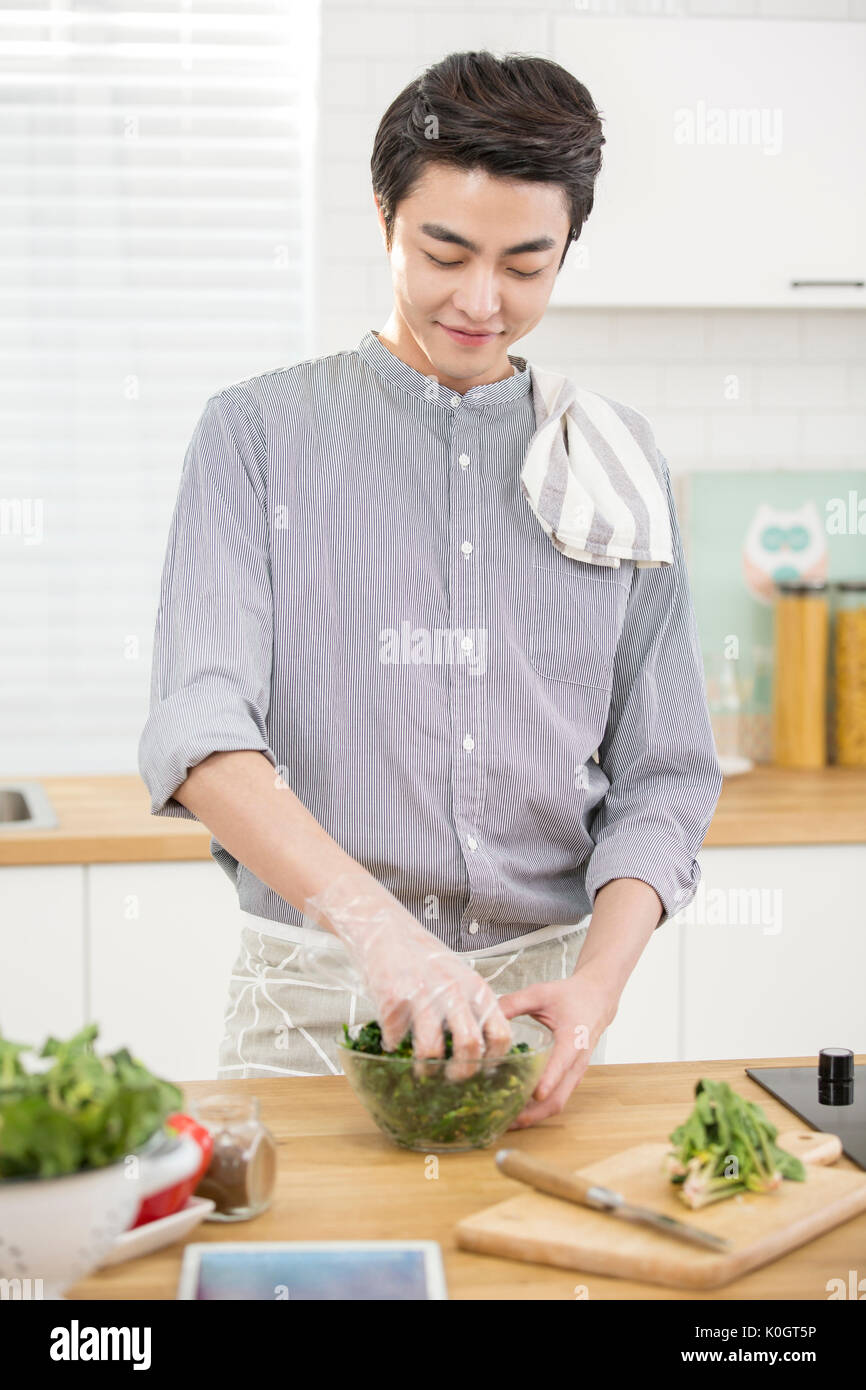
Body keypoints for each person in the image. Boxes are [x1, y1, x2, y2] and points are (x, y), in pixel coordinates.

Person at [138, 50, 722, 1129]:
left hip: (541, 1026)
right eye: (442, 250)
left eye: (525, 265)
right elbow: (201, 730)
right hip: (315, 1011)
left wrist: (595, 987)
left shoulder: (613, 457)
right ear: (382, 217)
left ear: (567, 249)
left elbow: (666, 774)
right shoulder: (257, 434)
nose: (479, 300)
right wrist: (382, 934)